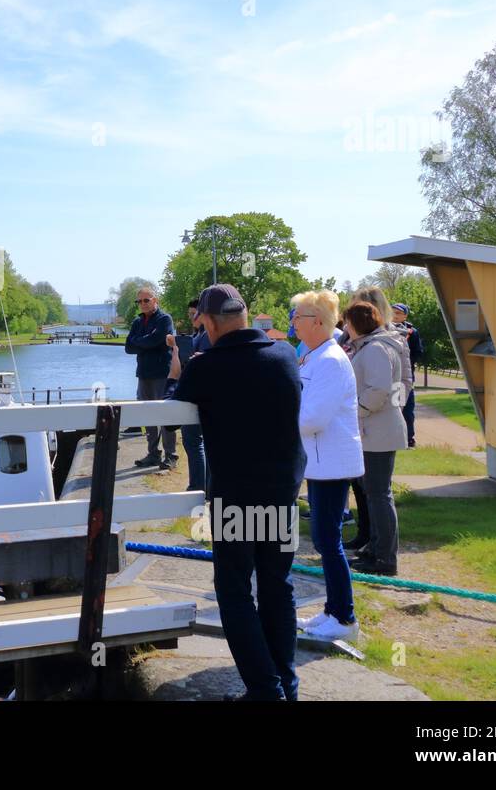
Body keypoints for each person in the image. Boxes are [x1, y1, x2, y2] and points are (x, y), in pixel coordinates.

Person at [169, 284, 304, 701]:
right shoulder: (284, 355)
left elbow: (177, 401)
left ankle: (265, 691)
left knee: (234, 592)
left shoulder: (206, 366)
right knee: (277, 586)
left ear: (208, 323)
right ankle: (286, 684)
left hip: (236, 496)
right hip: (282, 489)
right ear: (246, 315)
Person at [291, 290, 363, 641]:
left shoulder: (331, 360)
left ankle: (345, 619)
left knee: (328, 541)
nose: (292, 321)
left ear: (317, 321)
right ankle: (332, 611)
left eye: (298, 316)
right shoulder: (315, 356)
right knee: (324, 540)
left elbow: (313, 417)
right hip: (320, 463)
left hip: (331, 464)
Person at [343, 301, 406, 576]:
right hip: (375, 429)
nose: (344, 327)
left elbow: (379, 389)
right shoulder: (377, 346)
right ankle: (376, 547)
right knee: (374, 493)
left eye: (347, 322)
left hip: (376, 430)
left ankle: (385, 559)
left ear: (356, 323)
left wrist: (355, 411)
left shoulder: (377, 349)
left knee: (379, 494)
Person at [124, 286, 177, 470]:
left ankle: (171, 455)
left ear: (155, 300)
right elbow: (128, 347)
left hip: (162, 373)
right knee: (147, 415)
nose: (143, 304)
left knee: (165, 415)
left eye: (146, 300)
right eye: (139, 301)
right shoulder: (137, 322)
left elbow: (156, 340)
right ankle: (153, 454)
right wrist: (145, 341)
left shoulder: (164, 319)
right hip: (143, 374)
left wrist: (140, 342)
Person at [176, 299, 208, 492]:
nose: (191, 317)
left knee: (194, 442)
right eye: (189, 314)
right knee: (194, 442)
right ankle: (202, 485)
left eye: (194, 313)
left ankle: (198, 486)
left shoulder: (207, 336)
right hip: (195, 392)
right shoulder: (199, 334)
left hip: (198, 394)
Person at [392, 303, 423, 447]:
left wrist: (407, 364)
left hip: (405, 377)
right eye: (393, 312)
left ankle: (409, 438)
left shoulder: (412, 332)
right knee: (393, 406)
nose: (395, 315)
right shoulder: (385, 330)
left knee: (407, 408)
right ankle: (393, 437)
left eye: (398, 313)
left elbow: (418, 352)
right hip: (391, 376)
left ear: (405, 315)